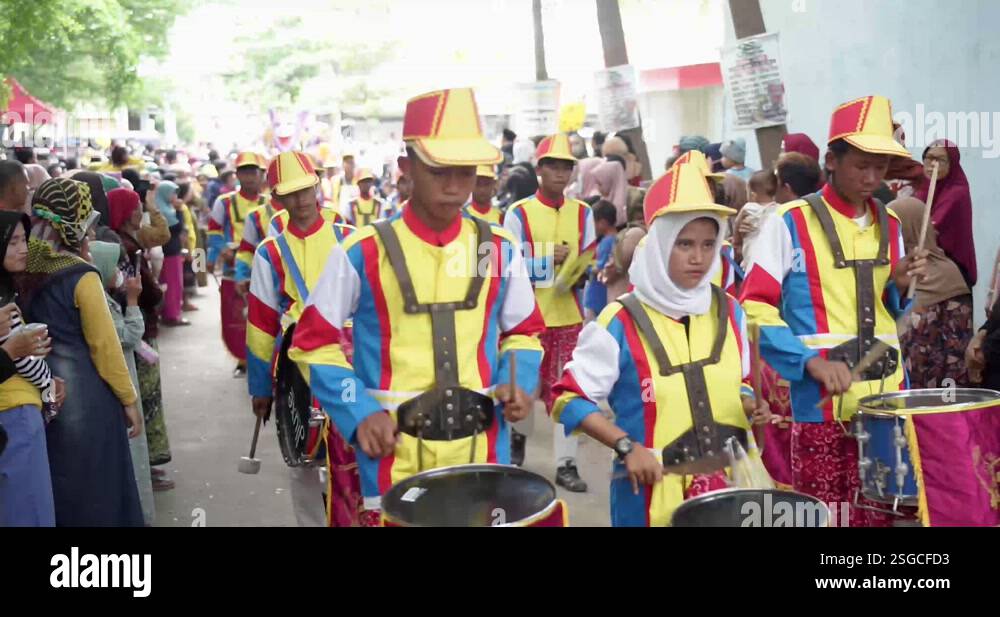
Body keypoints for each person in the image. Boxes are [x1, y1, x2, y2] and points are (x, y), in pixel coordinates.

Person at [289, 88, 543, 524]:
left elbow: (523, 330)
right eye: (438, 170)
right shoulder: (362, 252)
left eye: (465, 172)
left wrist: (516, 380)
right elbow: (312, 343)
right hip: (394, 457)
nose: (454, 185)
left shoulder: (496, 248)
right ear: (405, 169)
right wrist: (358, 409)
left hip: (484, 450)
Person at [738, 95, 928, 527]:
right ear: (831, 160)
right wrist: (810, 363)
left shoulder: (892, 224)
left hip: (885, 400)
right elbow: (754, 306)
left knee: (881, 516)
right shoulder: (788, 221)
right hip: (818, 402)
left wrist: (898, 285)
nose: (871, 177)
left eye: (880, 168)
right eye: (861, 165)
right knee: (823, 517)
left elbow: (890, 309)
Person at [552, 162, 772, 526]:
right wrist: (627, 446)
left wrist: (750, 404)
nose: (698, 257)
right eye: (684, 244)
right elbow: (568, 399)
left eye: (707, 244)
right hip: (650, 494)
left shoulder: (730, 311)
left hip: (728, 487)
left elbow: (742, 382)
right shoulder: (618, 321)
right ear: (659, 245)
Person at [19, 177, 144, 526]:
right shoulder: (82, 276)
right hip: (88, 401)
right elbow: (105, 348)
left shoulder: (23, 270)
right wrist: (128, 400)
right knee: (98, 487)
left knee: (59, 487)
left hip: (41, 394)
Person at [247, 152, 357, 527]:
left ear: (317, 186)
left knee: (356, 447)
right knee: (302, 455)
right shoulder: (270, 251)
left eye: (306, 190)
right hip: (297, 364)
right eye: (290, 194)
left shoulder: (350, 238)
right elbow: (261, 322)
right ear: (277, 198)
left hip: (350, 360)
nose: (301, 200)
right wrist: (260, 386)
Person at [504, 133, 595, 492]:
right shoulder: (519, 213)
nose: (560, 173)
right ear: (539, 170)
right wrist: (545, 262)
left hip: (569, 318)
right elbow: (502, 267)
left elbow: (586, 259)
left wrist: (578, 272)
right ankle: (516, 445)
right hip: (527, 320)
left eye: (566, 167)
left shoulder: (583, 212)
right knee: (522, 387)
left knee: (567, 393)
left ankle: (566, 464)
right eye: (553, 166)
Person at [108, 187, 173, 491]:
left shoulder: (132, 240)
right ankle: (146, 469)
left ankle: (150, 466)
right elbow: (148, 293)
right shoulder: (122, 248)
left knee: (147, 399)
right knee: (145, 400)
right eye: (135, 208)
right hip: (138, 332)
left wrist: (151, 206)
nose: (139, 213)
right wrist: (154, 292)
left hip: (142, 330)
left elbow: (163, 234)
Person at [0, 212, 61, 526]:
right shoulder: (3, 300)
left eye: (24, 240)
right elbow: (21, 357)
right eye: (13, 242)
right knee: (28, 510)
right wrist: (50, 385)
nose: (23, 248)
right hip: (15, 412)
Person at [90, 240, 156, 525]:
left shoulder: (102, 296)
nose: (118, 270)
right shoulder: (101, 302)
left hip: (122, 376)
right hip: (120, 380)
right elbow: (128, 336)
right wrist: (132, 301)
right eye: (114, 264)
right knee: (131, 446)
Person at [890, 198, 972, 389]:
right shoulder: (891, 272)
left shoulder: (948, 276)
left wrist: (947, 399)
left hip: (934, 394)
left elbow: (956, 351)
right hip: (897, 387)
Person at [208, 153, 268, 377]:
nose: (249, 177)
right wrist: (222, 249)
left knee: (263, 314)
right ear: (237, 175)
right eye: (244, 172)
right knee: (235, 317)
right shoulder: (224, 202)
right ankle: (242, 360)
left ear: (261, 175)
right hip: (233, 269)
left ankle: (265, 360)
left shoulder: (269, 204)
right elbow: (213, 231)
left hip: (263, 270)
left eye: (253, 172)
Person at [916, 139, 976, 288]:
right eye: (929, 158)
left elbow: (934, 226)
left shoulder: (957, 191)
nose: (933, 164)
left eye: (940, 160)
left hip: (953, 268)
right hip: (929, 263)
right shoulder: (924, 187)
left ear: (952, 164)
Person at [733, 169, 778, 268]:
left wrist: (737, 229)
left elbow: (737, 223)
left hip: (751, 258)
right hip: (771, 259)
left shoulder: (748, 208)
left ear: (753, 195)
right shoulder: (779, 209)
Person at [583, 200, 618, 321]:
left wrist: (583, 266)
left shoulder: (607, 242)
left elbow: (599, 268)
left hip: (596, 298)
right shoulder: (616, 240)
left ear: (602, 223)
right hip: (604, 297)